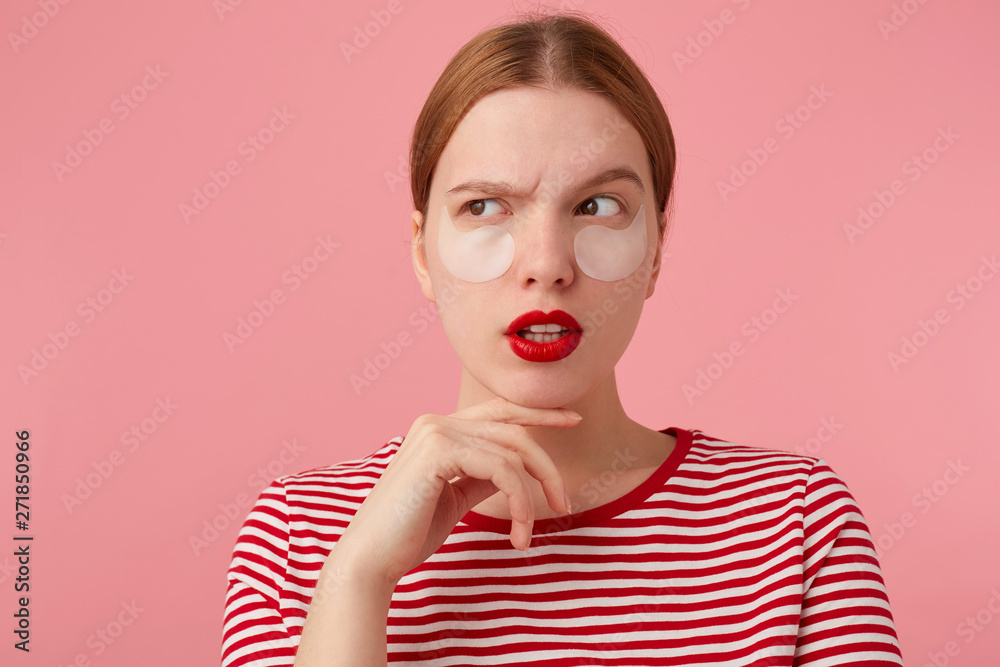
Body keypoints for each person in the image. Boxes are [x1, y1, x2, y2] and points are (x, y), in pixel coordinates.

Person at [222, 11, 903, 666]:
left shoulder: (796, 525)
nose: (547, 263)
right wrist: (357, 583)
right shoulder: (298, 537)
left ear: (657, 248)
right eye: (484, 206)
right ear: (423, 253)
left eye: (597, 206)